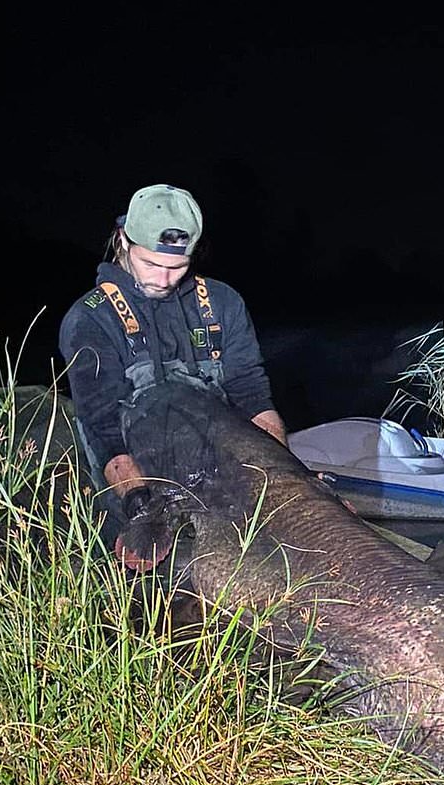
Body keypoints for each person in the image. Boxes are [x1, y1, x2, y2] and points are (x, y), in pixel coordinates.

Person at [58, 183, 286, 569]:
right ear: (123, 240)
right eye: (151, 264)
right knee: (159, 572)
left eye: (177, 267)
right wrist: (139, 501)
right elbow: (101, 426)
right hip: (134, 475)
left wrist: (284, 479)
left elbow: (252, 394)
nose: (164, 280)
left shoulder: (223, 302)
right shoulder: (90, 318)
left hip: (223, 470)